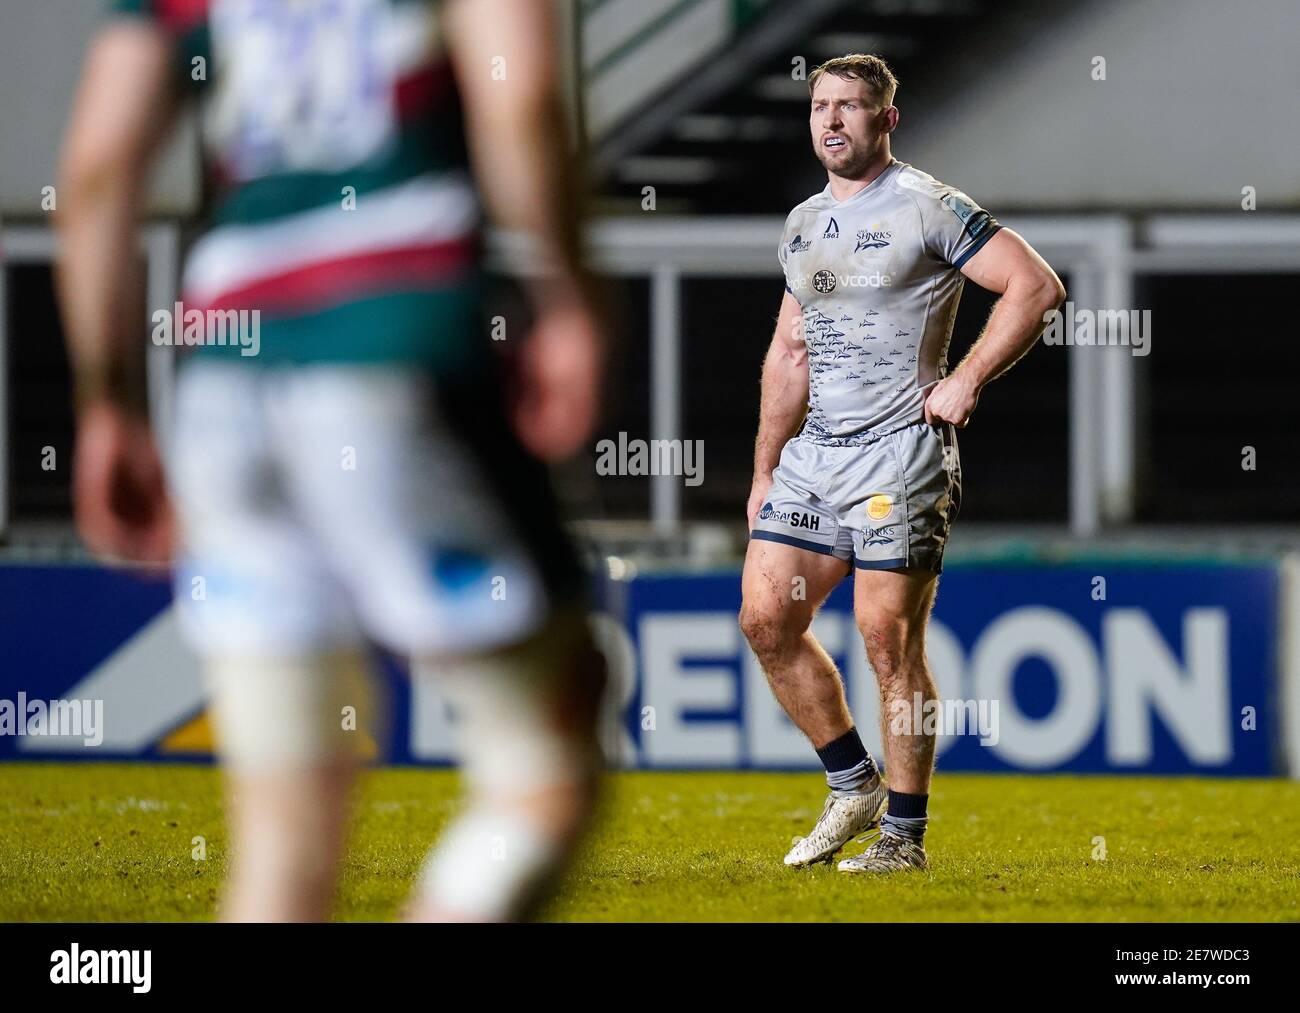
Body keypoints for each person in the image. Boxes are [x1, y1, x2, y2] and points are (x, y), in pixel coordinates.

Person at [56, 0, 605, 921]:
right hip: (399, 342)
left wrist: (106, 401)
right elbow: (523, 96)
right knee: (540, 768)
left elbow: (99, 170)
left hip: (226, 383)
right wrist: (570, 298)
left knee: (278, 860)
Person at [740, 54, 1064, 873]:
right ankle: (853, 782)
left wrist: (966, 379)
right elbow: (788, 352)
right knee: (765, 619)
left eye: (852, 106)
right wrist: (763, 471)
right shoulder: (804, 221)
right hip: (818, 455)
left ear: (888, 118)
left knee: (886, 638)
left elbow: (1033, 285)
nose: (833, 121)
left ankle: (903, 840)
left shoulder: (926, 205)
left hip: (900, 455)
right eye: (821, 106)